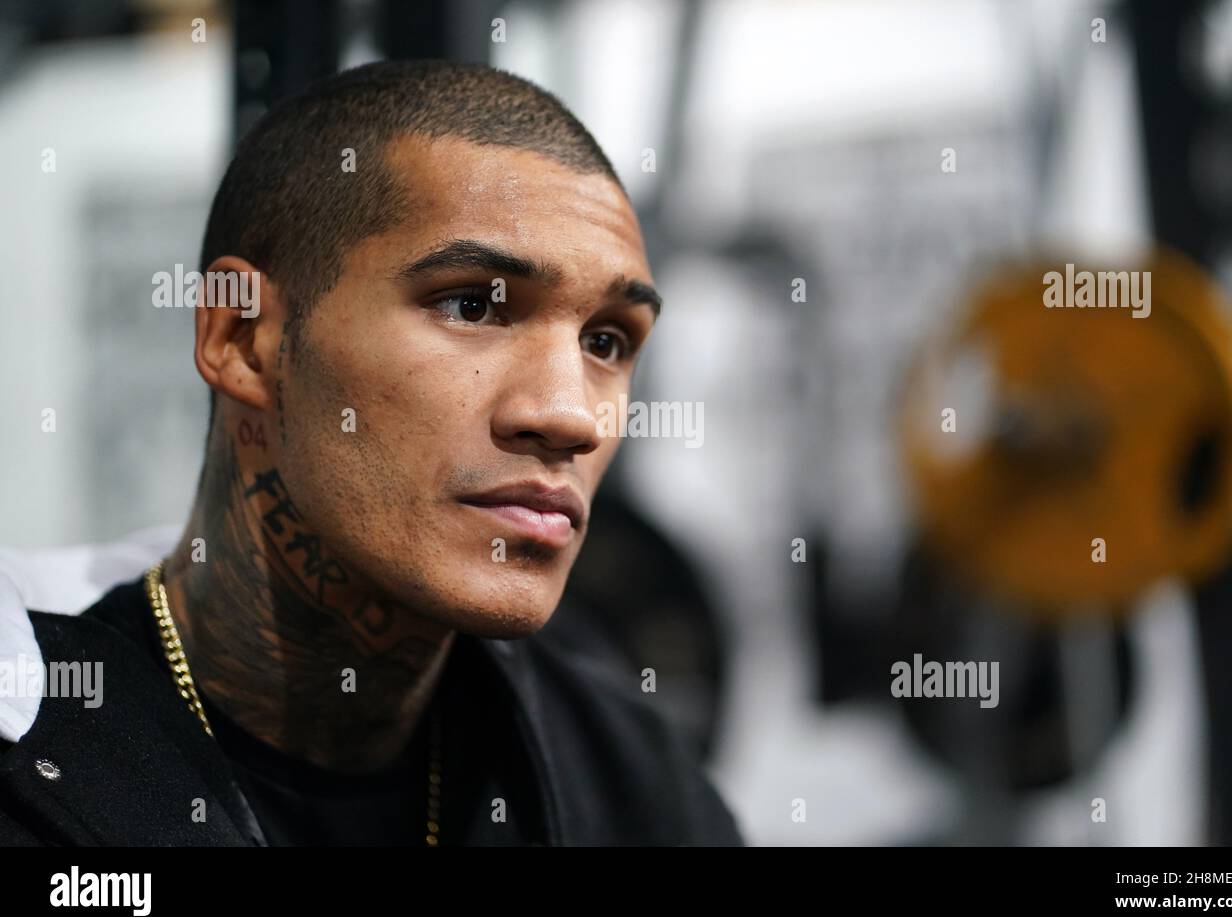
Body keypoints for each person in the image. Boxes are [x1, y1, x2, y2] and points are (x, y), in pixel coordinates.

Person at [0, 59, 743, 846]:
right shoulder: (36, 766)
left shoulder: (626, 782)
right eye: (471, 306)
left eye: (605, 341)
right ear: (243, 337)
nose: (569, 416)